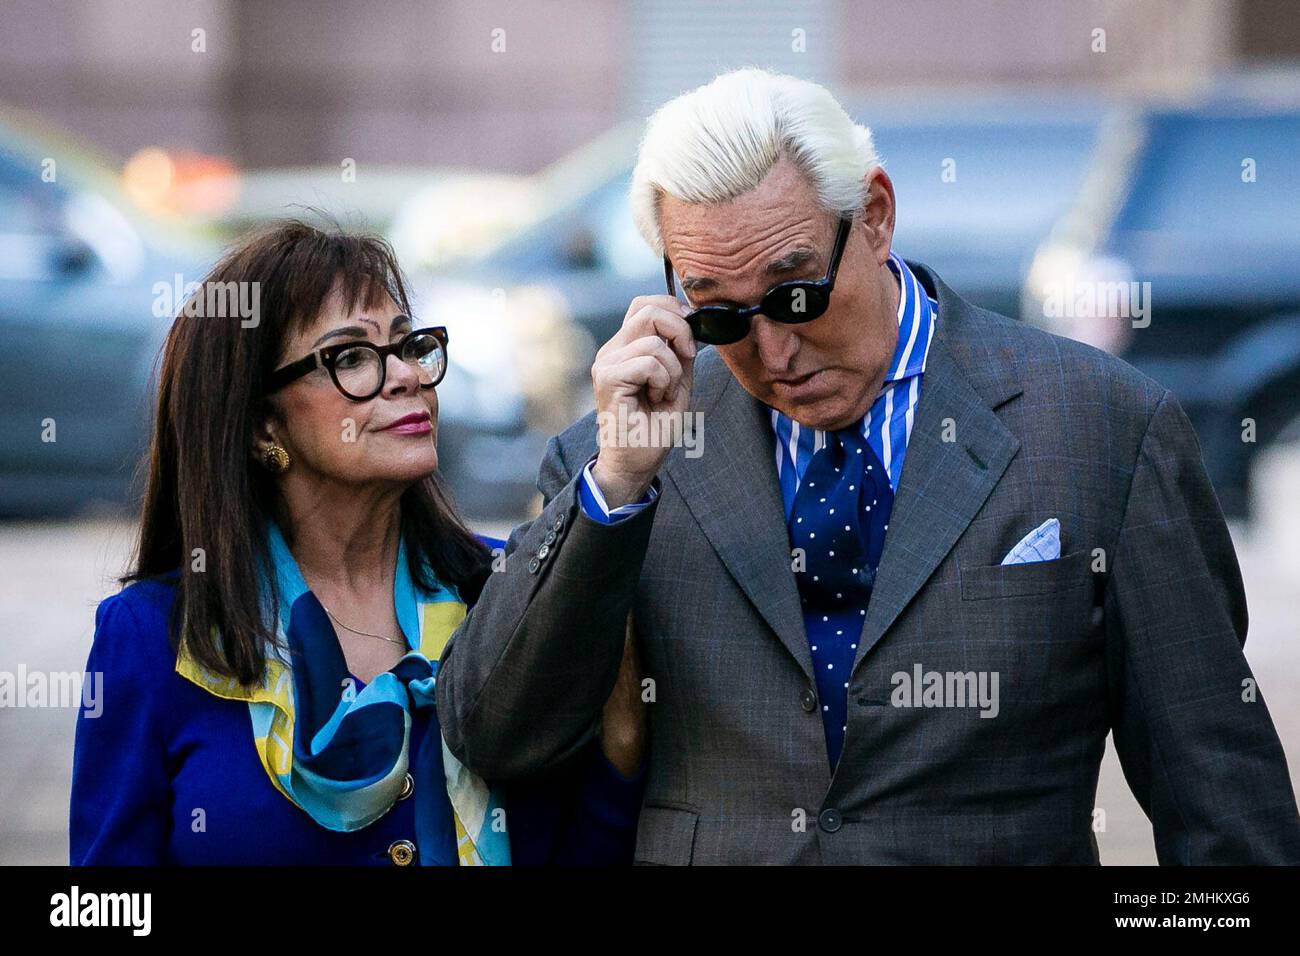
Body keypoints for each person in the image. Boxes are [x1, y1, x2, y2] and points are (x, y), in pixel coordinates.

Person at [435, 69, 1300, 864]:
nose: (775, 349)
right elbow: (501, 736)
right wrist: (615, 491)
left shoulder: (1103, 428)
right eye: (721, 318)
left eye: (797, 293)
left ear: (876, 214)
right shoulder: (622, 453)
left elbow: (1221, 802)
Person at [70, 221, 645, 865]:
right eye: (350, 358)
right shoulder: (156, 636)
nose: (405, 376)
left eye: (409, 345)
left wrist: (622, 738)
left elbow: (590, 847)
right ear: (264, 424)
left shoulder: (507, 591)